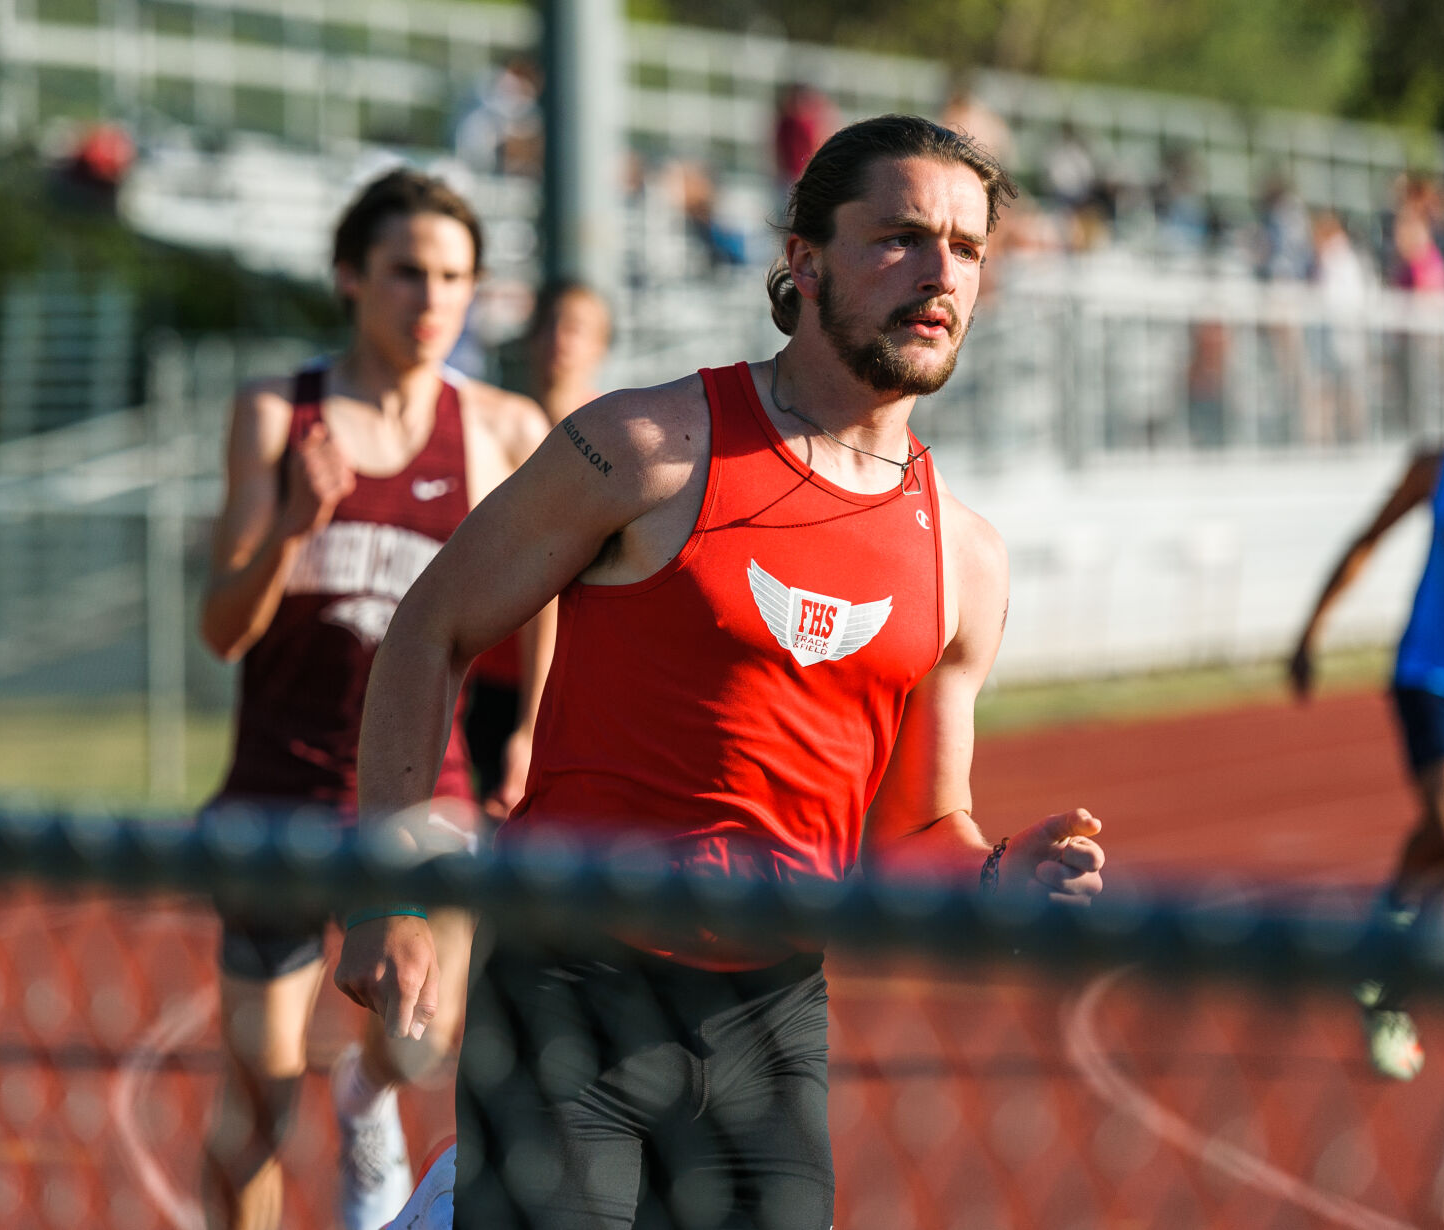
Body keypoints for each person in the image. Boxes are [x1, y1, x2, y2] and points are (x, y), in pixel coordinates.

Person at [339, 115, 1107, 1229]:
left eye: (967, 248)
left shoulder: (964, 557)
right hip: (569, 986)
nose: (940, 272)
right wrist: (391, 890)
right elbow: (431, 628)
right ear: (803, 258)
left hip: (772, 1016)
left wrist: (996, 878)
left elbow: (918, 826)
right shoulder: (645, 449)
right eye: (898, 236)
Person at [197, 167, 549, 1230]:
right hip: (278, 794)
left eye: (455, 277)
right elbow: (222, 629)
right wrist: (297, 521)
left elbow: (553, 601)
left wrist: (531, 727)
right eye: (406, 272)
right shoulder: (278, 416)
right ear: (351, 277)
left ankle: (370, 1101)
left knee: (414, 1043)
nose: (432, 299)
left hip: (419, 803)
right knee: (259, 1097)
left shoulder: (502, 429)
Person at [1289, 318, 1444, 1082]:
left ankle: (1384, 952)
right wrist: (1312, 630)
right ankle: (1390, 974)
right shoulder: (1441, 467)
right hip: (1432, 677)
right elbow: (1367, 539)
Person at [463, 280, 612, 809]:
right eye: (548, 325)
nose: (558, 341)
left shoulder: (618, 443)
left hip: (578, 681)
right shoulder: (496, 431)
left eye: (575, 327)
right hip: (495, 675)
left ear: (602, 344)